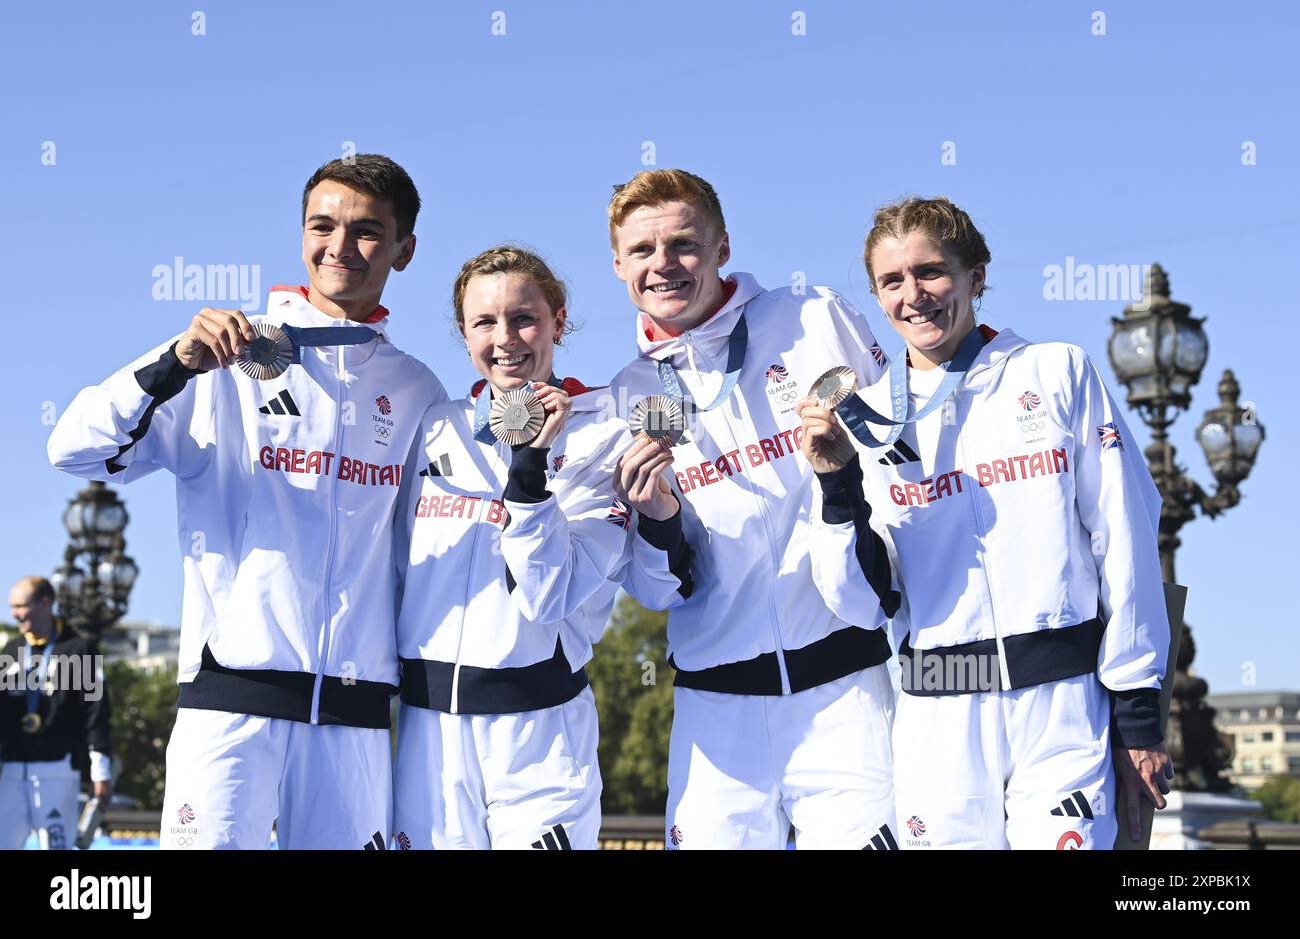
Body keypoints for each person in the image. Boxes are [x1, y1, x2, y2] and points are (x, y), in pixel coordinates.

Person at [47, 155, 447, 849]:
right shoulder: (221, 358)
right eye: (322, 227)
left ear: (405, 250)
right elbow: (73, 447)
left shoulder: (417, 389)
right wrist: (175, 361)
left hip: (354, 720)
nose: (340, 248)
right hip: (231, 705)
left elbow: (429, 552)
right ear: (301, 236)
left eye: (367, 232)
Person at [799, 196, 1172, 849]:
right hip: (937, 716)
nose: (915, 295)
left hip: (1059, 706)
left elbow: (1127, 539)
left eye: (931, 272)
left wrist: (1139, 718)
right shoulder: (866, 421)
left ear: (976, 276)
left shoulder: (1056, 371)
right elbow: (862, 601)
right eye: (893, 281)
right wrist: (837, 485)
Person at [609, 169, 899, 850]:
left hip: (844, 686)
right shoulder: (629, 395)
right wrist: (657, 523)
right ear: (618, 264)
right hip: (717, 709)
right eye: (643, 251)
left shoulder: (814, 317)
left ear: (722, 246)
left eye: (683, 244)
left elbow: (901, 464)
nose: (664, 265)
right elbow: (654, 591)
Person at [392, 246, 651, 850]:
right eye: (484, 322)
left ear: (559, 321)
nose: (505, 338)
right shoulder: (432, 429)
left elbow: (547, 592)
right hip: (427, 736)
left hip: (538, 731)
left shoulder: (603, 439)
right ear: (464, 333)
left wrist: (529, 466)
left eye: (523, 318)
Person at [1, 576, 111, 850]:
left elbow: (96, 712)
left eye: (21, 606)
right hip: (11, 773)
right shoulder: (12, 650)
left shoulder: (80, 649)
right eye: (12, 607)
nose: (15, 614)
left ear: (45, 603)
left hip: (58, 771)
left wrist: (101, 772)